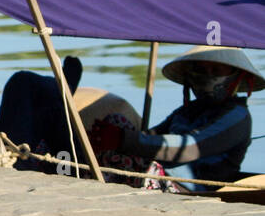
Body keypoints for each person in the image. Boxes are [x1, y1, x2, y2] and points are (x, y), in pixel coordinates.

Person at [89, 46, 258, 191]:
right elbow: (153, 135)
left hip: (196, 187)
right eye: (201, 70)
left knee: (148, 166)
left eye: (216, 70)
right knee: (116, 121)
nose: (208, 76)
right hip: (167, 175)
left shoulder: (237, 116)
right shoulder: (187, 111)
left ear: (238, 76)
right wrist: (112, 136)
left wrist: (123, 139)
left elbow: (188, 147)